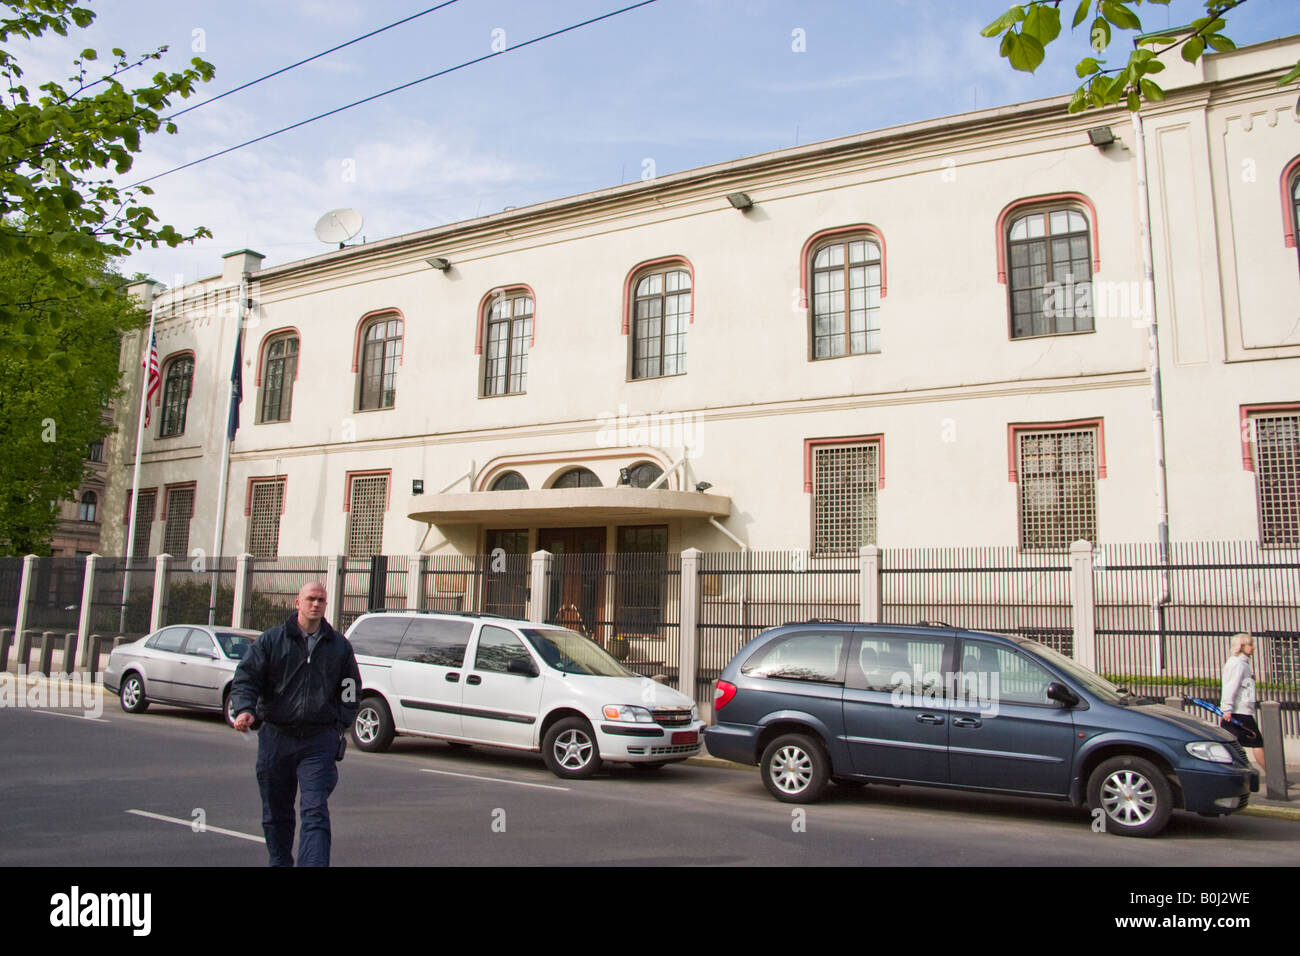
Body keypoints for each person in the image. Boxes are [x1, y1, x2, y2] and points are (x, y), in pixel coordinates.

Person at [230, 581, 361, 866]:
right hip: (276, 737)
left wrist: (339, 726)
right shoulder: (272, 640)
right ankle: (280, 862)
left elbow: (350, 691)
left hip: (318, 741)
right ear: (297, 602)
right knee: (276, 813)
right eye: (311, 599)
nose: (316, 604)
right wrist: (245, 709)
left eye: (321, 600)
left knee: (315, 810)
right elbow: (246, 678)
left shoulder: (339, 647)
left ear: (326, 605)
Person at [1219, 632, 1264, 772]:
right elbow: (1230, 686)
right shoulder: (1237, 664)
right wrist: (1227, 708)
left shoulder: (1241, 663)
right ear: (1241, 646)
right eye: (1249, 644)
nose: (1253, 648)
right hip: (1239, 712)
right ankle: (1273, 776)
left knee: (1234, 745)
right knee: (1257, 742)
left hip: (1240, 710)